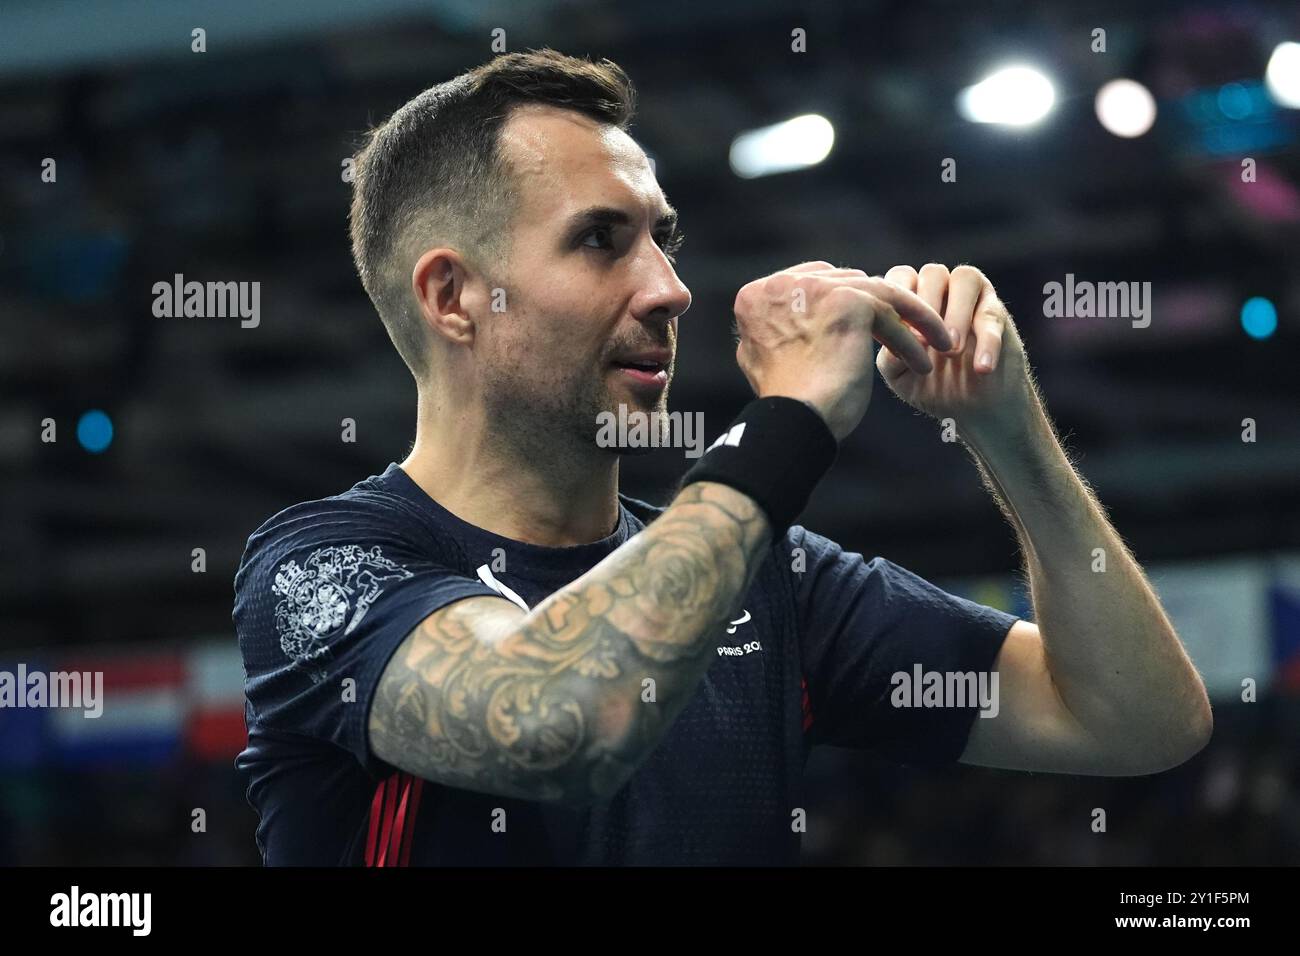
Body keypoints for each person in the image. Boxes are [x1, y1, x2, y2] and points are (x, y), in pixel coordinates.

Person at [233, 49, 1212, 866]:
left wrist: (1008, 430)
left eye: (663, 240)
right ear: (453, 297)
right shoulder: (322, 567)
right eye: (600, 241)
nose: (669, 288)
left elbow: (1135, 718)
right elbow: (553, 721)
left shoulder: (775, 582)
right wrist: (789, 418)